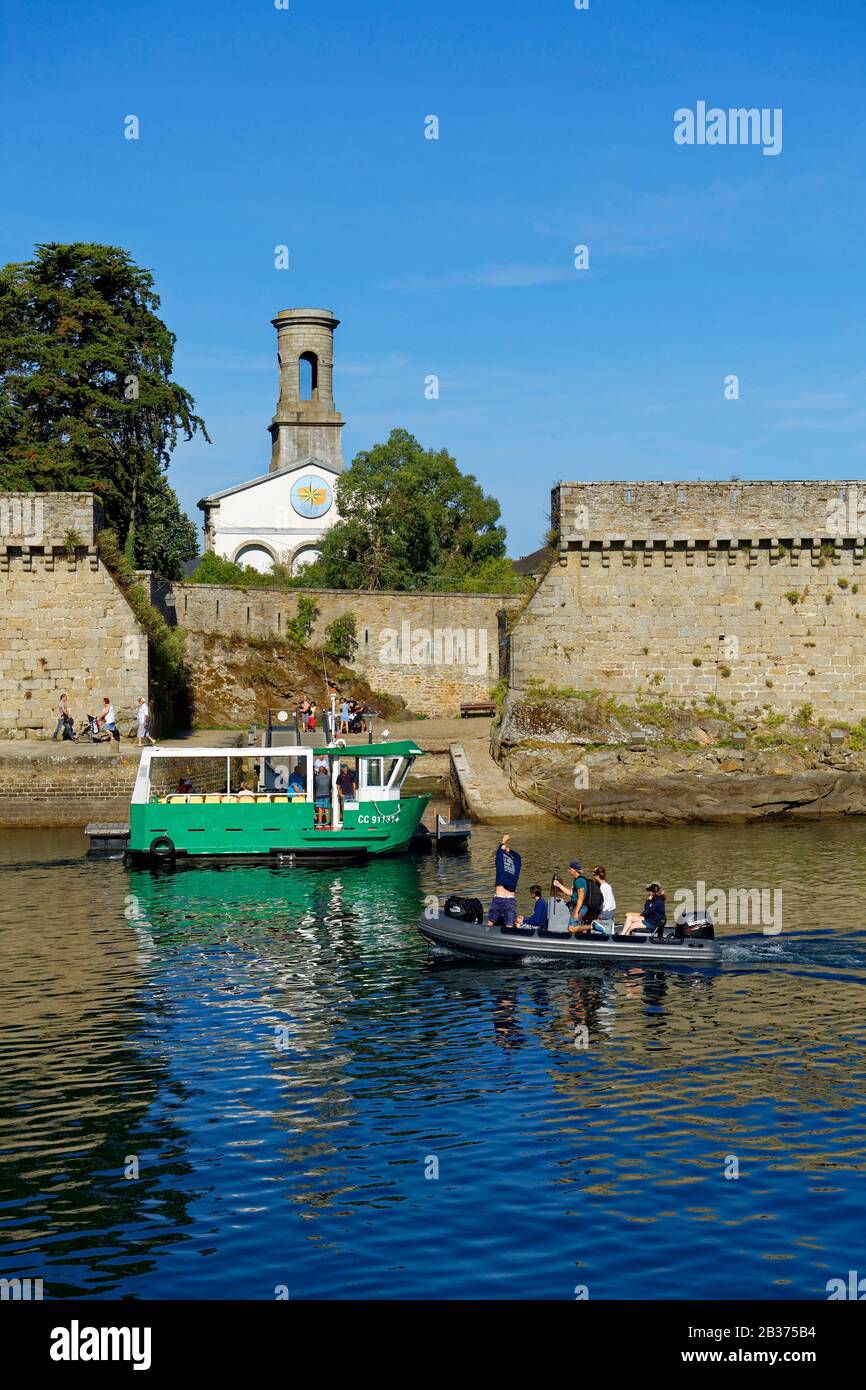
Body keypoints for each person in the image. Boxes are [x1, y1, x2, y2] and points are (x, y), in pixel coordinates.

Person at [486, 833, 522, 929]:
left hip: (499, 899)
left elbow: (498, 855)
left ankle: (486, 934)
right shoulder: (516, 867)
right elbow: (518, 857)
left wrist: (503, 841)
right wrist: (508, 850)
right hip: (511, 899)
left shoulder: (501, 865)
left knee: (491, 921)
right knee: (509, 924)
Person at [553, 861, 590, 934]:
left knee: (571, 928)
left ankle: (592, 926)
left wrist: (576, 912)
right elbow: (570, 893)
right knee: (579, 928)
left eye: (570, 869)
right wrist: (559, 885)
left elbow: (581, 898)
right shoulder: (576, 880)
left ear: (575, 870)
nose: (568, 870)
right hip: (578, 907)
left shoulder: (579, 881)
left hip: (580, 908)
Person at [593, 865, 616, 934]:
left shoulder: (603, 887)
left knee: (588, 914)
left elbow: (602, 903)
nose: (593, 875)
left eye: (594, 874)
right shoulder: (607, 885)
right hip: (611, 911)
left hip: (606, 913)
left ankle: (598, 929)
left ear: (598, 876)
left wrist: (599, 915)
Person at [313, 759, 331, 826]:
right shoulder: (328, 777)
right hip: (326, 794)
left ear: (318, 771)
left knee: (320, 809)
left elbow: (314, 787)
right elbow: (330, 786)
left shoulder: (316, 778)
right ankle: (327, 823)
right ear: (324, 771)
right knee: (326, 809)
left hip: (318, 795)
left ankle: (320, 822)